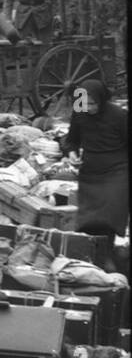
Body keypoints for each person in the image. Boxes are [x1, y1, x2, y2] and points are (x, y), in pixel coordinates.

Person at [61, 78, 128, 239]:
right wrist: (72, 154)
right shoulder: (80, 113)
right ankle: (92, 251)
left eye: (93, 104)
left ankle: (108, 251)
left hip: (116, 171)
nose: (89, 108)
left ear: (101, 100)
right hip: (90, 173)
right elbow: (71, 140)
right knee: (89, 221)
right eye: (85, 104)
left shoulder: (119, 115)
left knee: (110, 216)